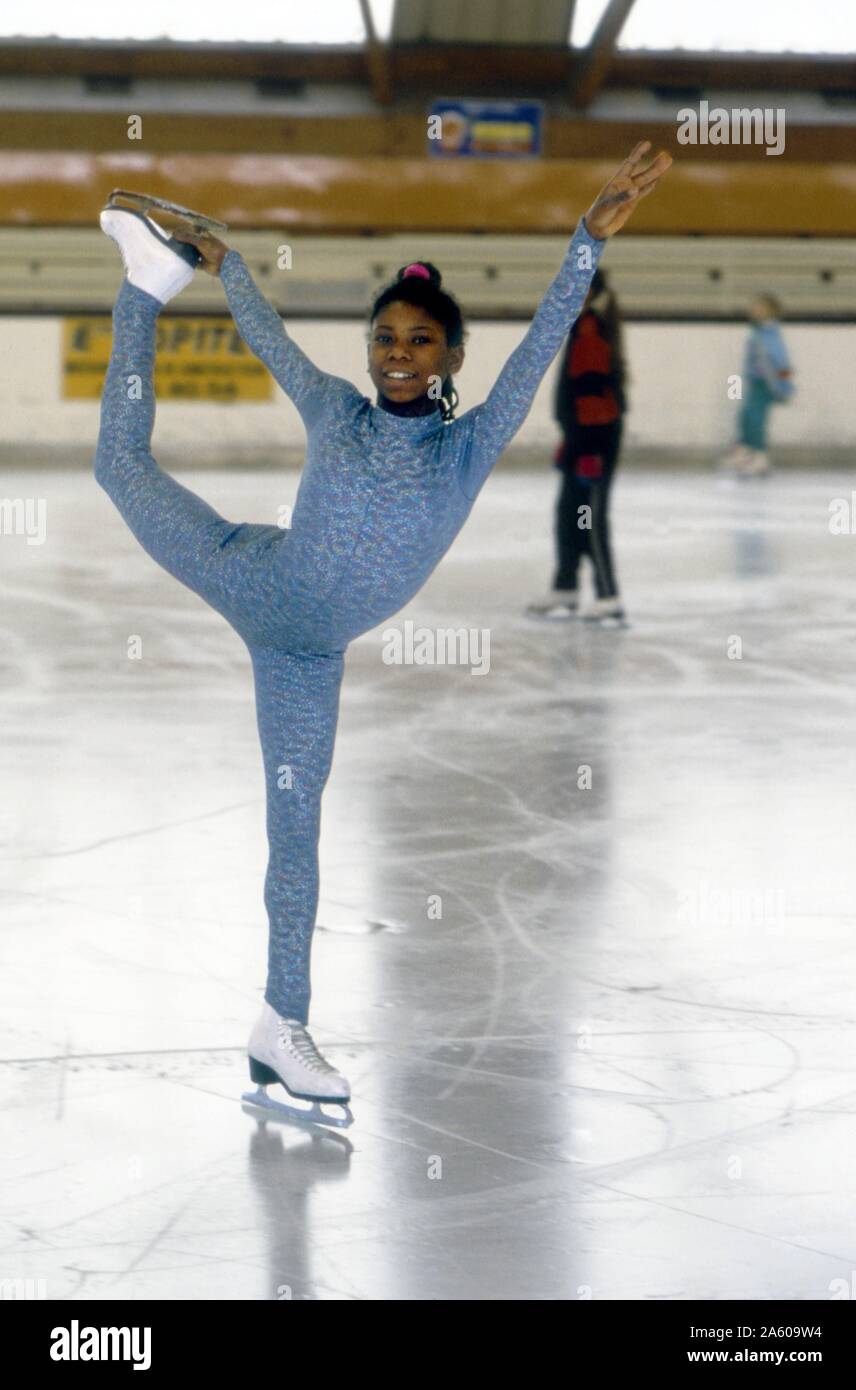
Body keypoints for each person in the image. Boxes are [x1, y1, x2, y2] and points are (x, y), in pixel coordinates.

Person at [94, 140, 672, 1126]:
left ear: (447, 357)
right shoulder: (334, 410)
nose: (396, 356)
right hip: (251, 571)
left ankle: (282, 1025)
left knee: (296, 830)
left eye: (416, 343)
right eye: (385, 340)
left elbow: (540, 341)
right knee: (120, 467)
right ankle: (145, 289)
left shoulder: (466, 447)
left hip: (303, 656)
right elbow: (266, 335)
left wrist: (584, 241)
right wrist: (224, 264)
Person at [527, 267, 627, 623]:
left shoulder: (590, 328)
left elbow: (592, 388)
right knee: (569, 512)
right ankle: (566, 585)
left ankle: (608, 593)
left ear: (589, 293)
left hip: (594, 437)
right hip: (581, 435)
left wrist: (585, 446)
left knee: (591, 516)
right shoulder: (582, 325)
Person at [722, 293, 794, 477]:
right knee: (745, 416)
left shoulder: (771, 334)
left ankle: (759, 456)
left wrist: (785, 385)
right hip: (755, 382)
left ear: (770, 311)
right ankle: (746, 451)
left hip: (766, 384)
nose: (754, 310)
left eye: (759, 307)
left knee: (756, 420)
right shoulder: (758, 332)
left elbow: (782, 362)